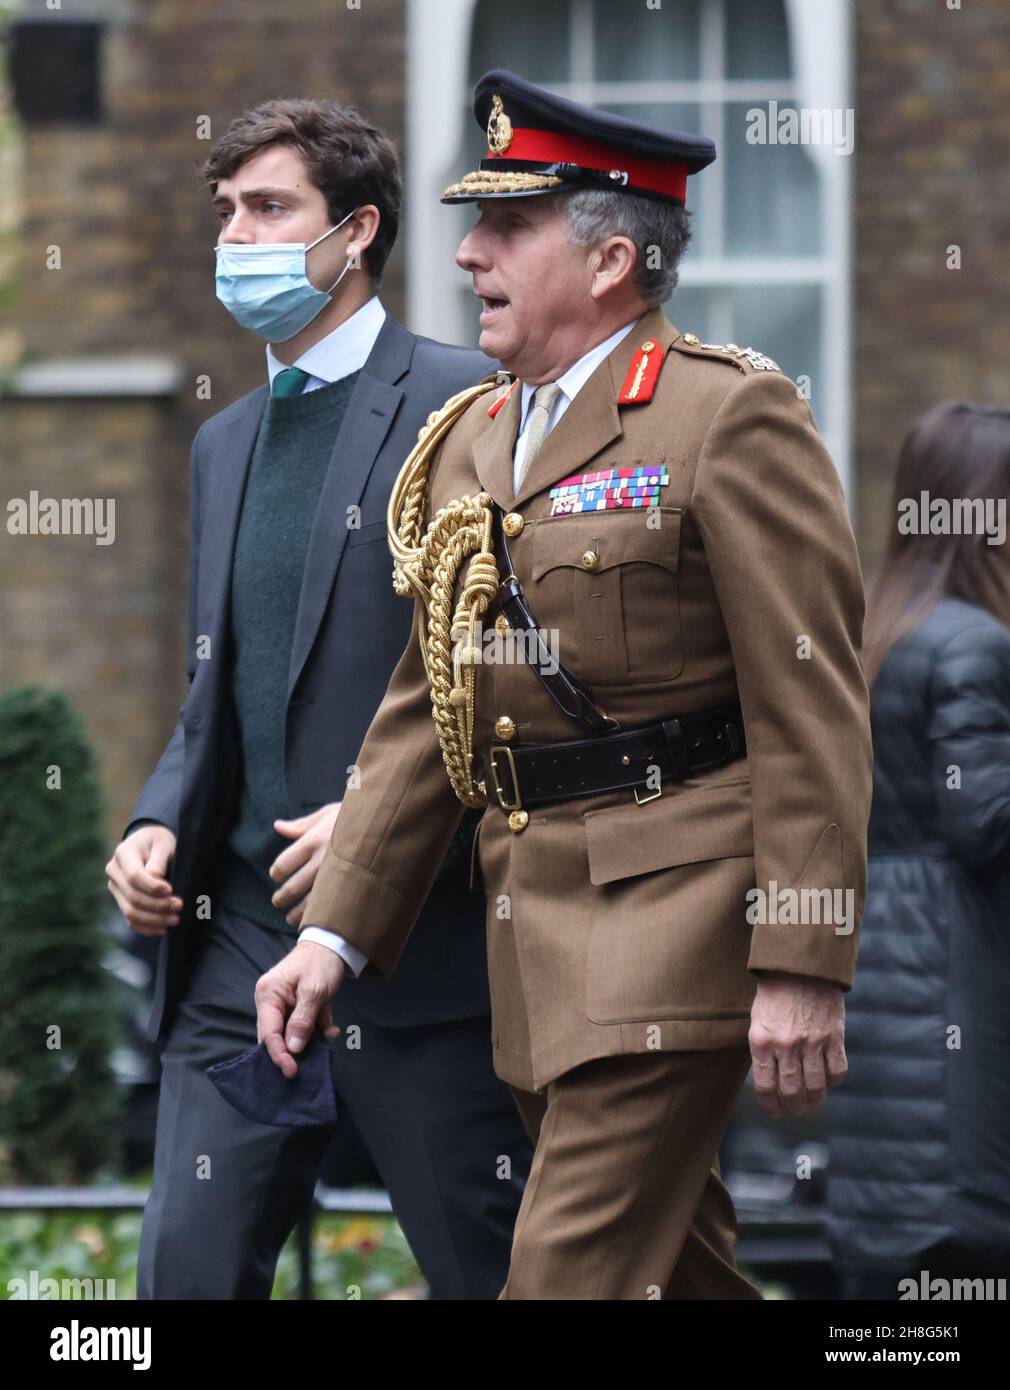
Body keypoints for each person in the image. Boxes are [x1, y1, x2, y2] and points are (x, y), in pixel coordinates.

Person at [254, 70, 874, 1299]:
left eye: (505, 228)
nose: (466, 253)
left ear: (609, 262)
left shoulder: (724, 417)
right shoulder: (474, 441)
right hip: (533, 940)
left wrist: (802, 958)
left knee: (559, 1279)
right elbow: (433, 713)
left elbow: (811, 704)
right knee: (682, 1273)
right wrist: (333, 933)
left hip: (679, 924)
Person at [105, 97, 533, 1300]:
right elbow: (222, 685)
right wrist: (153, 820)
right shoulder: (223, 442)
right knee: (181, 1281)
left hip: (420, 954)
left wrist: (378, 821)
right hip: (236, 942)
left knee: (487, 1275)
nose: (234, 236)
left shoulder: (469, 407)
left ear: (355, 232)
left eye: (267, 208)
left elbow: (507, 670)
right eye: (226, 210)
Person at [828, 401, 1010, 1298]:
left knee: (896, 1289)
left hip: (884, 988)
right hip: (959, 993)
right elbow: (984, 818)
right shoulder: (975, 643)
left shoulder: (881, 637)